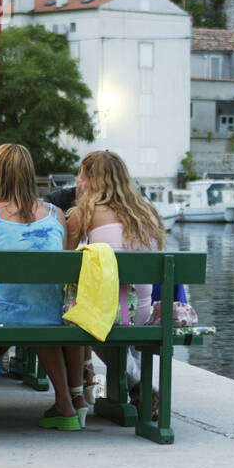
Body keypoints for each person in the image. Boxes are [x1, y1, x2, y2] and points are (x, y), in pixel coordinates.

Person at [0, 144, 76, 432]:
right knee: (38, 311)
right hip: (50, 316)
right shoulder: (56, 215)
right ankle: (66, 405)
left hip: (4, 316)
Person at [64, 150, 167, 421]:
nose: (77, 181)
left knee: (79, 315)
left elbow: (63, 263)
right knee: (113, 309)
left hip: (112, 315)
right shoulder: (148, 213)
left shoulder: (85, 213)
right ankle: (136, 385)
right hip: (142, 314)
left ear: (89, 179)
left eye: (80, 175)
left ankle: (130, 383)